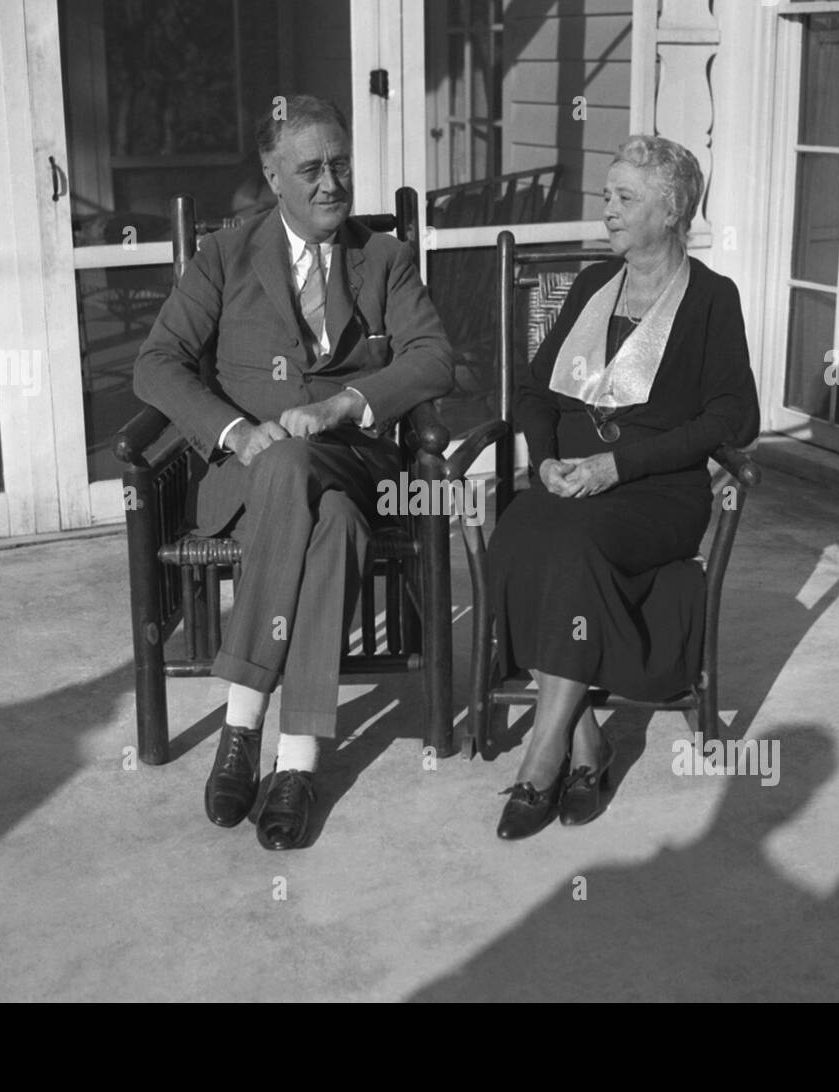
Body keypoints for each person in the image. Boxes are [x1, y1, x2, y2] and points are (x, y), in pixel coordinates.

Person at [133, 96, 453, 850]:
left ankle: (242, 723)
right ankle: (299, 761)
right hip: (255, 481)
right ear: (273, 175)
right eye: (309, 169)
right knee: (328, 519)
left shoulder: (384, 259)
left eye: (340, 164)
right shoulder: (225, 257)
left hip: (353, 457)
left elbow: (435, 357)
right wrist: (237, 432)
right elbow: (156, 364)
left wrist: (346, 403)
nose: (331, 183)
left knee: (306, 463)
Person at [488, 134, 759, 840]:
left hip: (656, 491)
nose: (606, 211)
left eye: (624, 198)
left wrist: (619, 467)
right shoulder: (589, 287)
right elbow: (534, 392)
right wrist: (543, 460)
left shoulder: (710, 300)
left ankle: (542, 757)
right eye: (607, 196)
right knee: (520, 529)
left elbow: (736, 417)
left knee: (573, 544)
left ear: (671, 211)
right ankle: (589, 745)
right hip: (572, 476)